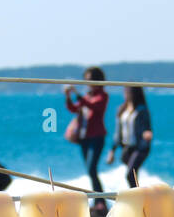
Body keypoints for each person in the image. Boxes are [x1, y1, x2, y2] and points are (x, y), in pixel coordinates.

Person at [64, 66, 109, 208]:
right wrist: (68, 96)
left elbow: (92, 106)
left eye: (90, 79)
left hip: (96, 137)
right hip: (84, 138)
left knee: (91, 169)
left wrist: (77, 94)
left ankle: (100, 200)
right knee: (91, 170)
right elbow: (74, 108)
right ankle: (98, 200)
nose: (87, 82)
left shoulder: (102, 96)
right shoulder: (87, 96)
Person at [107, 86, 153, 188]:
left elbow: (146, 127)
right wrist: (112, 151)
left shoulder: (142, 110)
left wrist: (147, 134)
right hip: (127, 148)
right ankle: (138, 197)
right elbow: (118, 133)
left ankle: (137, 198)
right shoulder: (122, 110)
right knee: (133, 174)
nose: (126, 93)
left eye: (129, 91)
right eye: (125, 91)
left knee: (130, 175)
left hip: (140, 147)